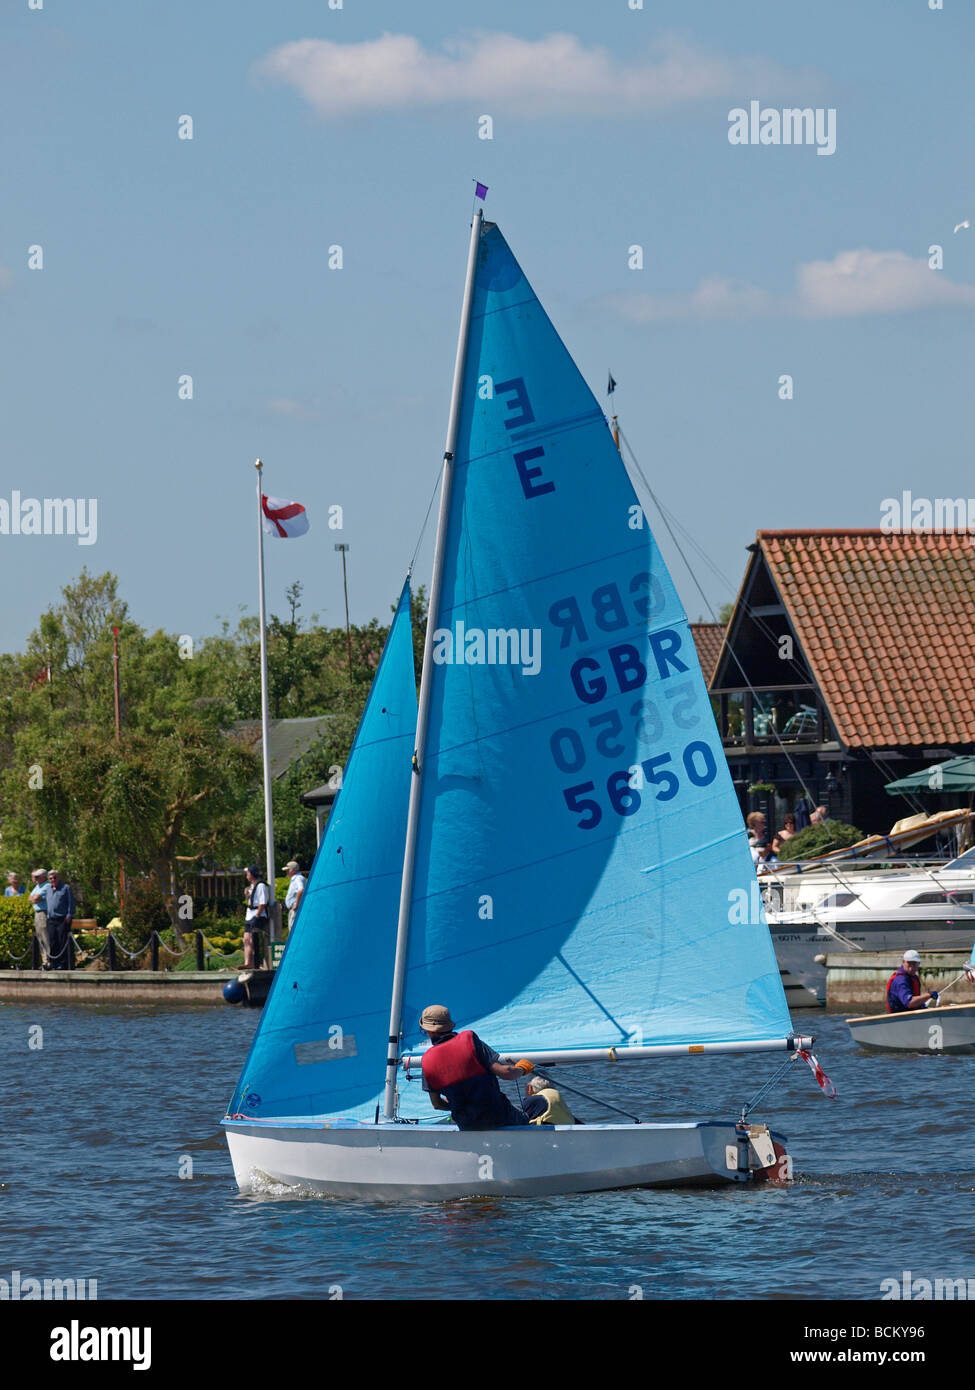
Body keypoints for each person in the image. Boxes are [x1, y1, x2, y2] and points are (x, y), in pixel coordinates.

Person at [419, 1005, 532, 1130]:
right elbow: (506, 1073)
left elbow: (437, 1104)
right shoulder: (469, 1040)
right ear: (449, 1025)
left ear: (430, 1032)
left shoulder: (427, 1061)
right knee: (526, 1118)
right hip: (498, 1116)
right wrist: (523, 1068)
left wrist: (461, 1106)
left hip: (467, 1125)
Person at [45, 869, 76, 972]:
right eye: (50, 878)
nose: (53, 880)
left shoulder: (65, 888)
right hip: (51, 919)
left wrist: (69, 915)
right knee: (53, 941)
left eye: (54, 878)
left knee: (62, 941)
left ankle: (63, 963)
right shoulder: (48, 889)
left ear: (58, 878)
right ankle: (53, 963)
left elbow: (71, 903)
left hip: (62, 919)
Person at [243, 865, 269, 969]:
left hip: (257, 915)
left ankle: (255, 963)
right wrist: (246, 895)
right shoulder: (252, 886)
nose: (246, 875)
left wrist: (258, 915)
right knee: (245, 938)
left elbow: (263, 902)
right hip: (249, 915)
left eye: (248, 873)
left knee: (252, 939)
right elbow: (250, 901)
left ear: (252, 874)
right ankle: (247, 962)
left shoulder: (261, 886)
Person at [28, 868, 50, 968]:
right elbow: (30, 898)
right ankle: (44, 961)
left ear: (44, 877)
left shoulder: (47, 886)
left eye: (37, 877)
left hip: (43, 913)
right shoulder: (37, 886)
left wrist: (34, 898)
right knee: (40, 938)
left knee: (45, 937)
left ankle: (49, 961)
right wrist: (34, 898)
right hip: (37, 913)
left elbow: (36, 898)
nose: (35, 878)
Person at [282, 860, 305, 930]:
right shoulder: (295, 879)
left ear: (293, 870)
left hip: (296, 909)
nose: (286, 872)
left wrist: (296, 904)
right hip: (293, 909)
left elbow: (301, 890)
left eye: (288, 870)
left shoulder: (298, 878)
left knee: (293, 930)